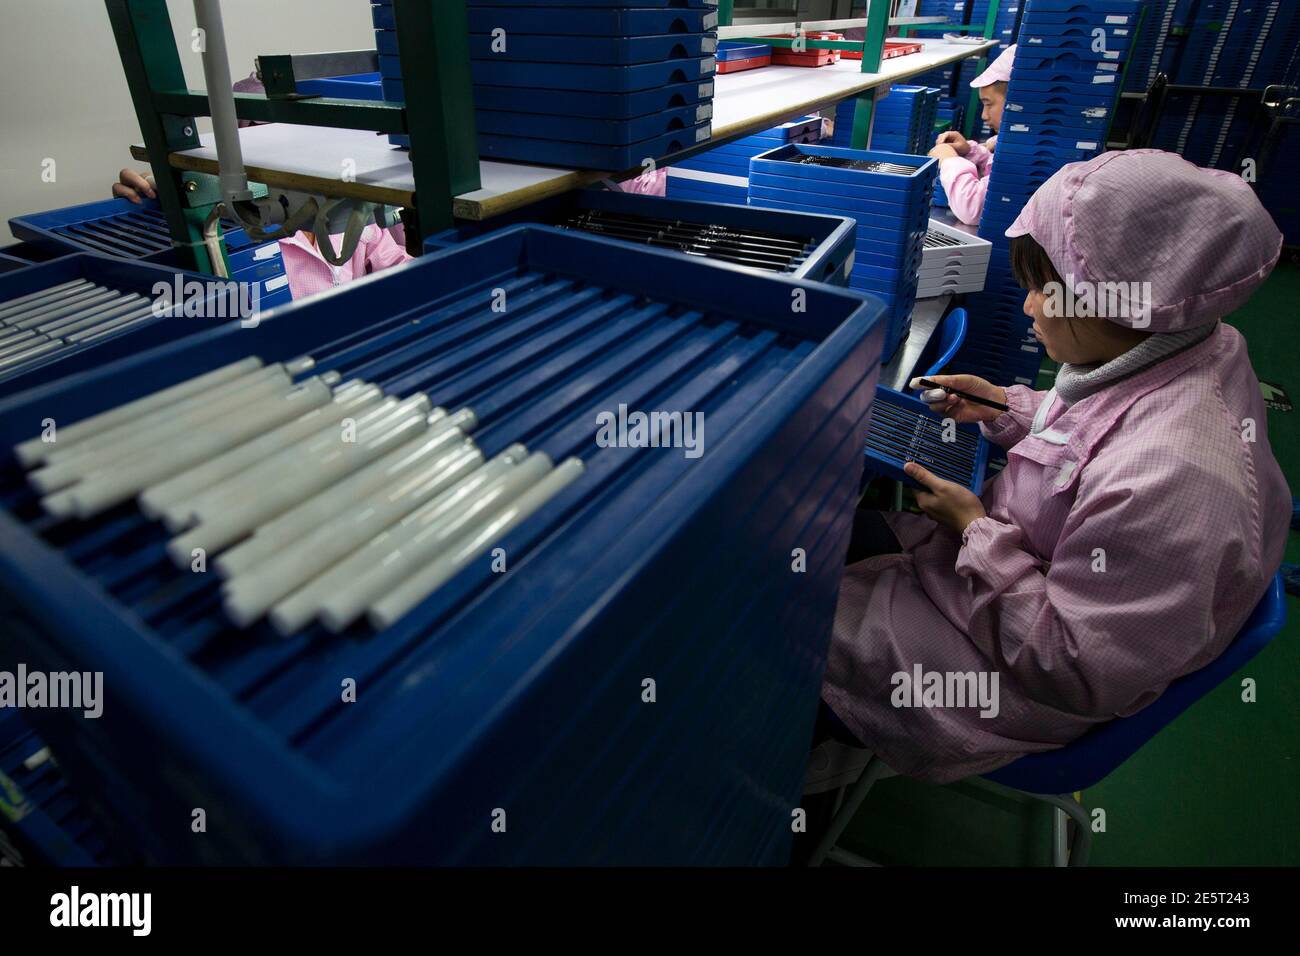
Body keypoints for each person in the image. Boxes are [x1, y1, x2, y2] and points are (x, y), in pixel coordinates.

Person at [811, 150, 1289, 800]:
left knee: (781, 625)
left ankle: (791, 775)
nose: (1030, 308)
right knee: (816, 549)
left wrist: (976, 531)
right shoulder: (1184, 342)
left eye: (1047, 289)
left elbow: (1071, 667)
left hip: (1018, 678)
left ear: (1120, 301)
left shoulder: (1178, 479)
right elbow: (1095, 424)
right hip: (1010, 576)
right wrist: (1004, 407)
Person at [112, 71, 411, 300]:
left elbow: (397, 266)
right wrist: (143, 207)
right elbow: (151, 277)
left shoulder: (345, 203)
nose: (277, 148)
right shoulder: (226, 221)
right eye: (257, 132)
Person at [927, 44, 1016, 226]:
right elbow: (995, 167)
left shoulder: (1023, 153)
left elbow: (972, 207)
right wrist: (970, 151)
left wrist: (948, 159)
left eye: (989, 103)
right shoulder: (1017, 141)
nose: (984, 115)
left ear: (1014, 102)